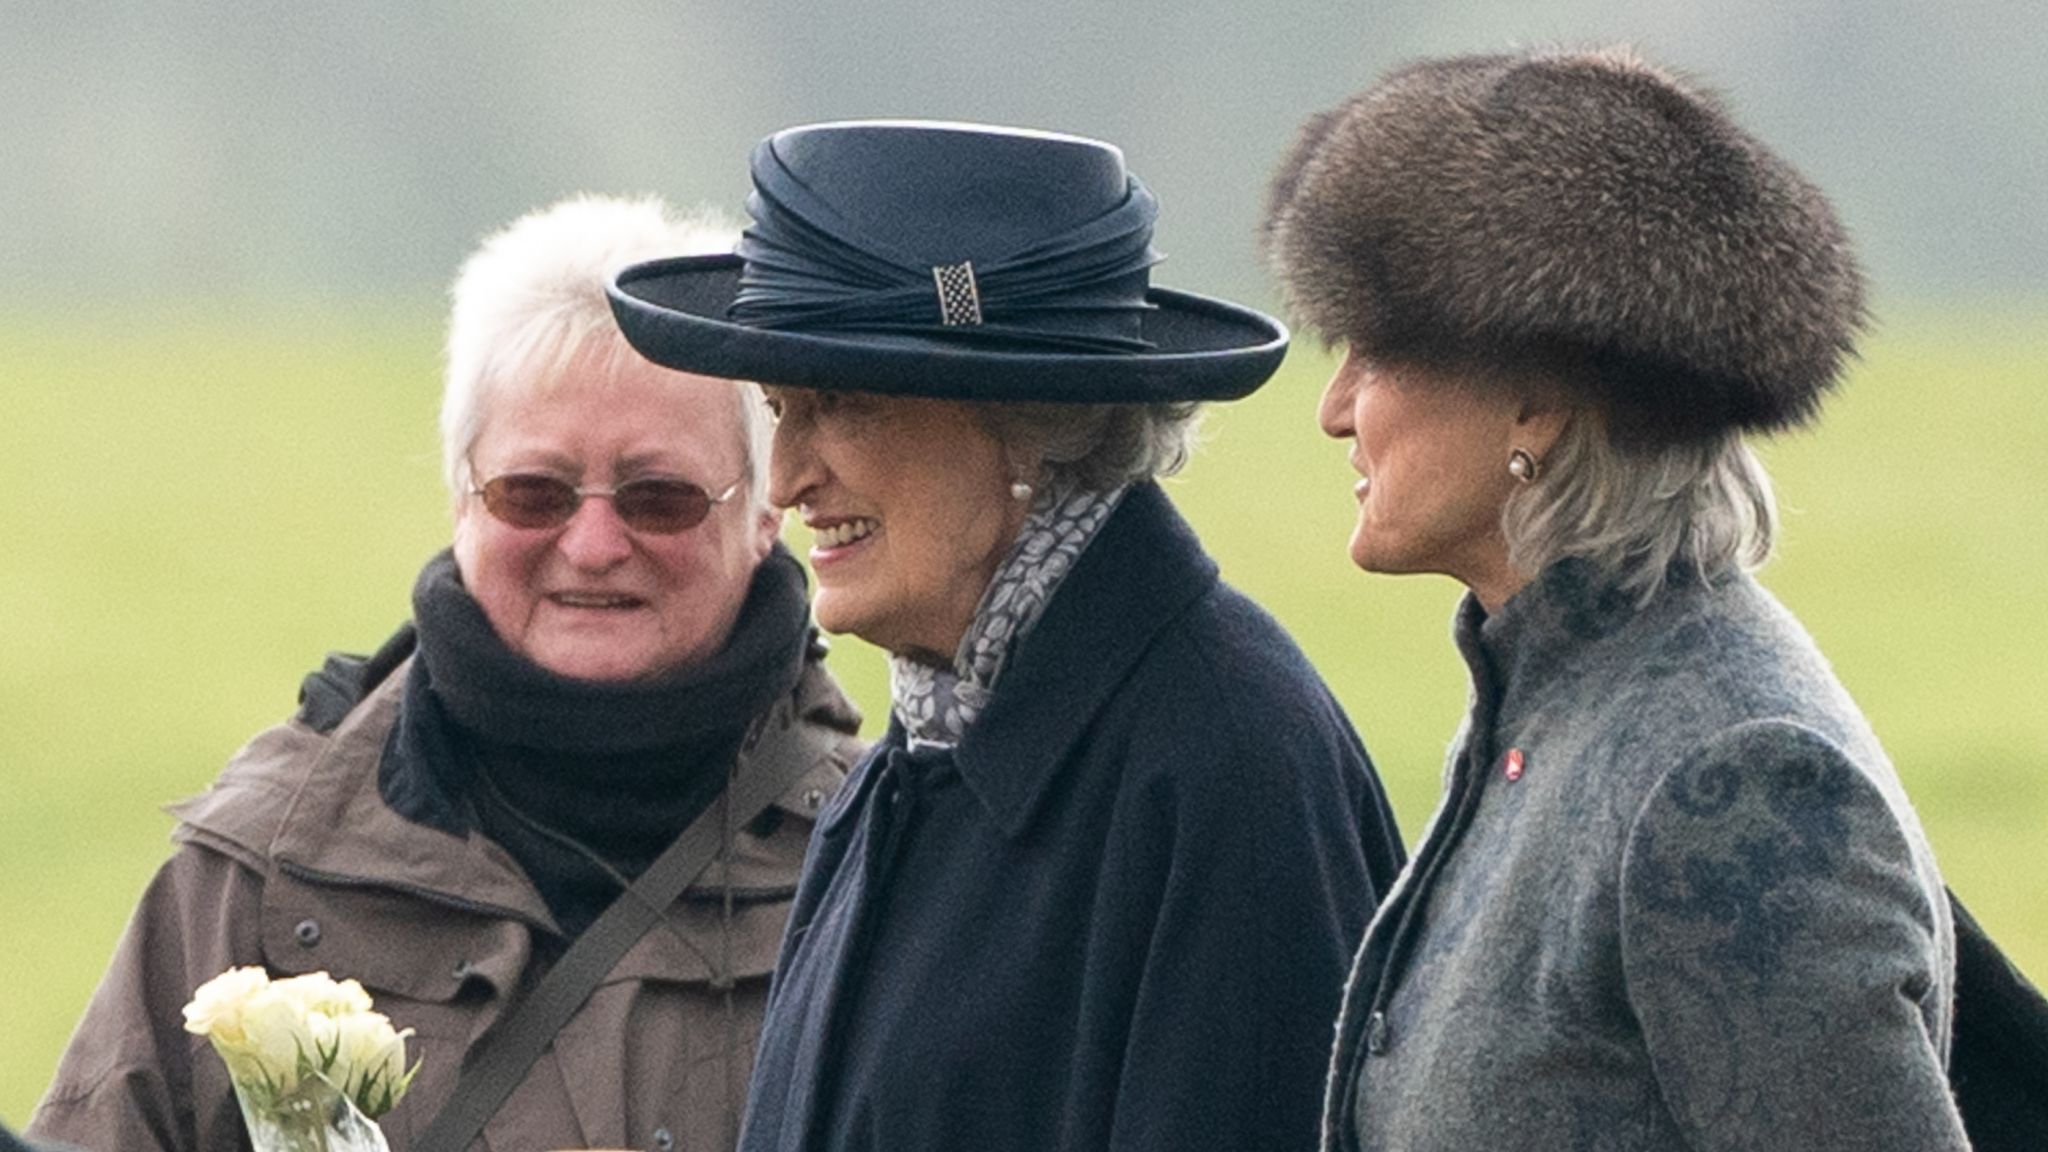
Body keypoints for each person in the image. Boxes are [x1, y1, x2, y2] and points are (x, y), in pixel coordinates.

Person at [607, 121, 1407, 1152]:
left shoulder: (1227, 766)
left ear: (1026, 420)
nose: (788, 474)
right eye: (779, 408)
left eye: (841, 402)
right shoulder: (908, 766)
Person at [30, 195, 865, 1152]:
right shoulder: (262, 876)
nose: (593, 545)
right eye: (533, 493)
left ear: (766, 513)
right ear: (460, 497)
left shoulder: (880, 871)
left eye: (660, 498)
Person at [1262, 47, 1969, 1150]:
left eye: (1376, 351)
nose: (1335, 409)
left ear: (1536, 402)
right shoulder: (1556, 692)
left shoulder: (1732, 782)